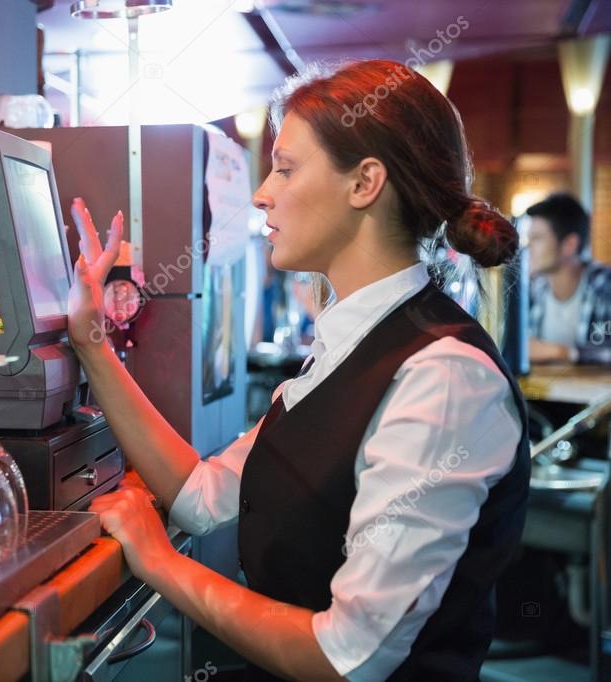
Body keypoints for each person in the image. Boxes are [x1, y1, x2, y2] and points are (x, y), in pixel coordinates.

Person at [68, 60, 530, 681]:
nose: (262, 193)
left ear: (365, 182)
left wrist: (161, 563)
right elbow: (202, 497)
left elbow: (351, 656)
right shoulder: (350, 342)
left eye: (286, 168)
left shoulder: (443, 377)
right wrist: (92, 341)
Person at [526, 193, 611, 365]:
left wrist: (563, 352)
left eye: (537, 239)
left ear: (569, 245)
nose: (528, 248)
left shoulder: (605, 284)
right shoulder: (532, 289)